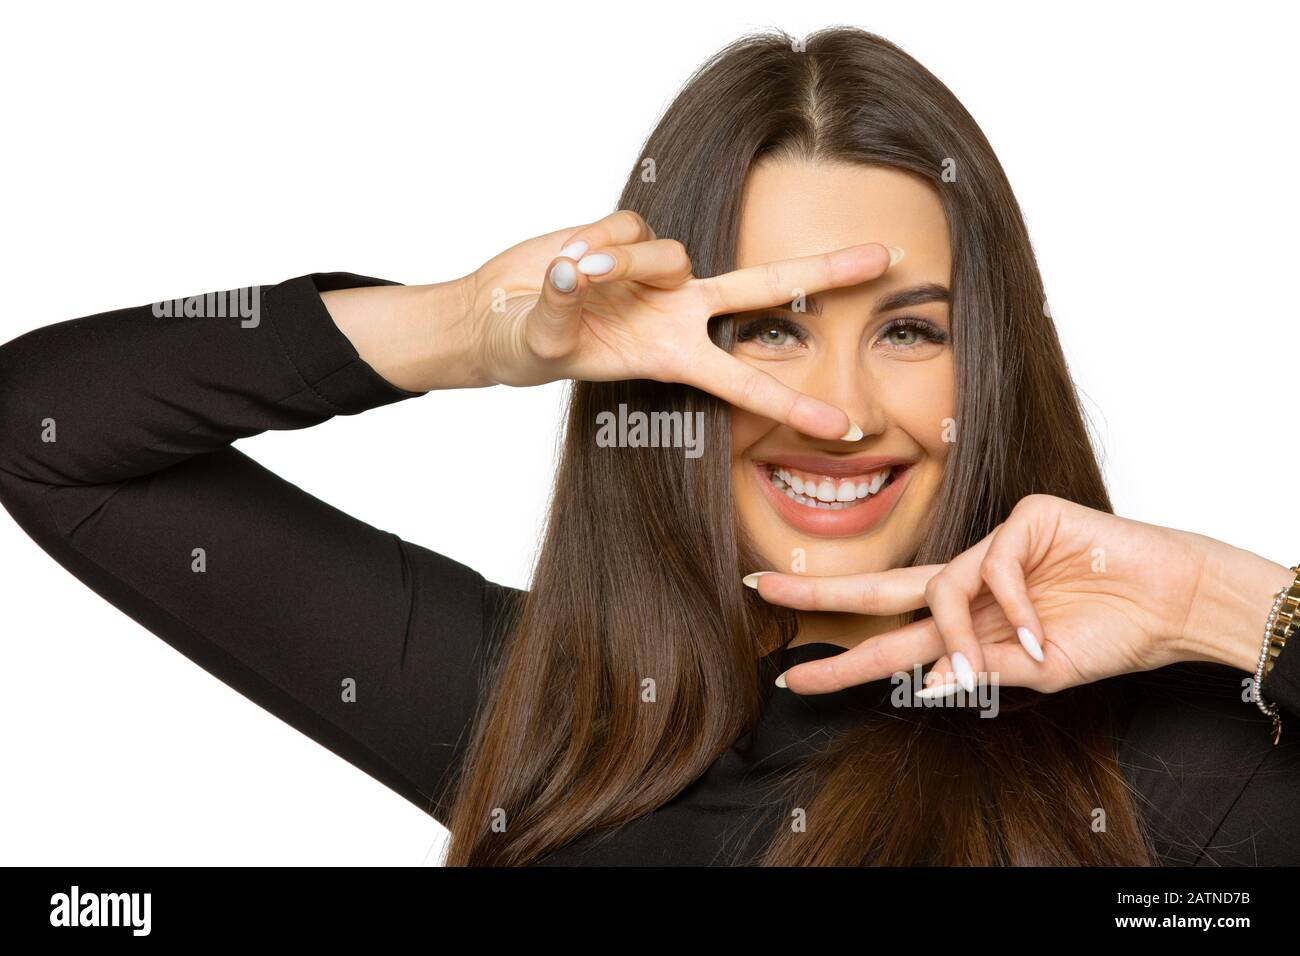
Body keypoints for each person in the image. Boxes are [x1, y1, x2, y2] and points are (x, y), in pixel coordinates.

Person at [1, 27, 1297, 866]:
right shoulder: (545, 726)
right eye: (765, 328)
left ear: (994, 367)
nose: (836, 408)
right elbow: (48, 428)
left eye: (908, 331)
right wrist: (470, 330)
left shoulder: (1170, 778)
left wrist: (1228, 606)